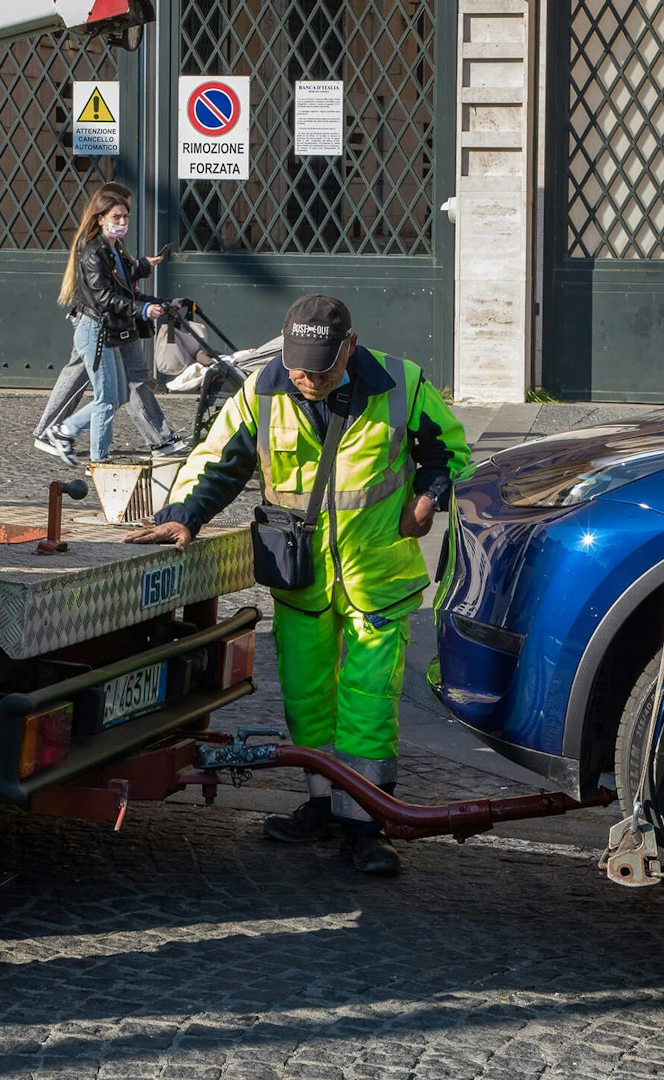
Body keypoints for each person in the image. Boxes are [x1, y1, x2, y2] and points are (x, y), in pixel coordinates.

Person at [126, 295, 470, 874]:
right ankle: (322, 805)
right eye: (298, 366)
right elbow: (218, 461)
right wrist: (184, 514)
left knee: (368, 703)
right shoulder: (262, 387)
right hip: (301, 579)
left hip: (376, 578)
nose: (306, 379)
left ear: (351, 348)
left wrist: (428, 498)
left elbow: (449, 453)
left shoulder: (402, 384)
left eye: (321, 367)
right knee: (306, 701)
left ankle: (364, 821)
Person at [33, 184, 189, 466]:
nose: (122, 223)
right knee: (106, 397)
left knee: (115, 396)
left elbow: (123, 282)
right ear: (100, 217)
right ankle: (96, 460)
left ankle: (63, 431)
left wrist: (161, 300)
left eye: (126, 217)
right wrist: (143, 308)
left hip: (110, 327)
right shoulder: (93, 251)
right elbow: (105, 296)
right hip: (98, 329)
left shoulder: (111, 248)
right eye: (117, 216)